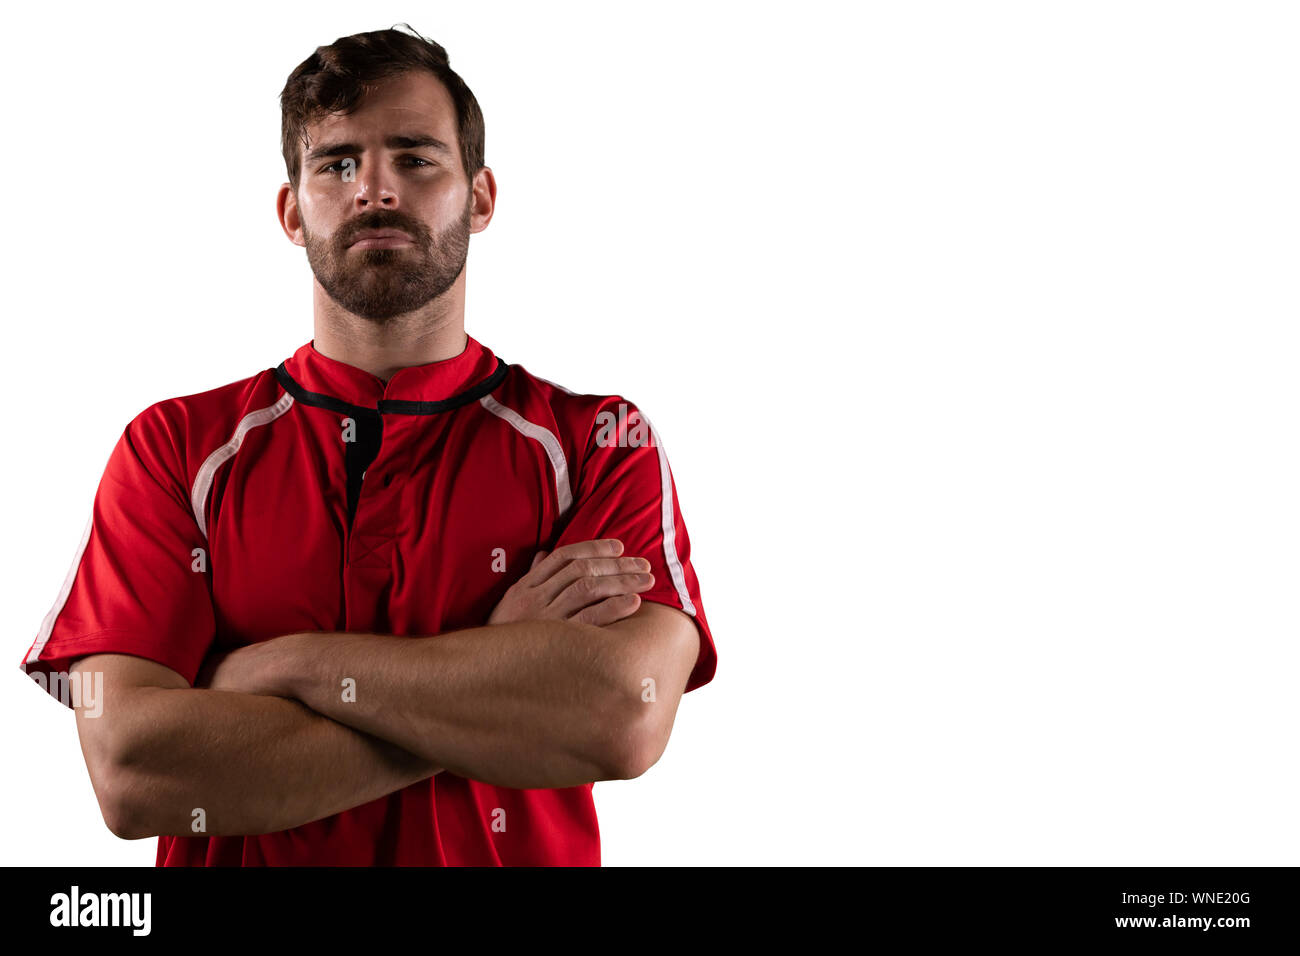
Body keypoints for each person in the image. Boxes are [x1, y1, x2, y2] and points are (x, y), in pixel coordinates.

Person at [20, 25, 716, 866]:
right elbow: (133, 775)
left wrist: (277, 667)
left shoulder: (601, 444)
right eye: (337, 163)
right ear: (291, 209)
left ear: (482, 196)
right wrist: (496, 675)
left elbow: (622, 714)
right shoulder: (172, 450)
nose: (375, 190)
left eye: (416, 158)